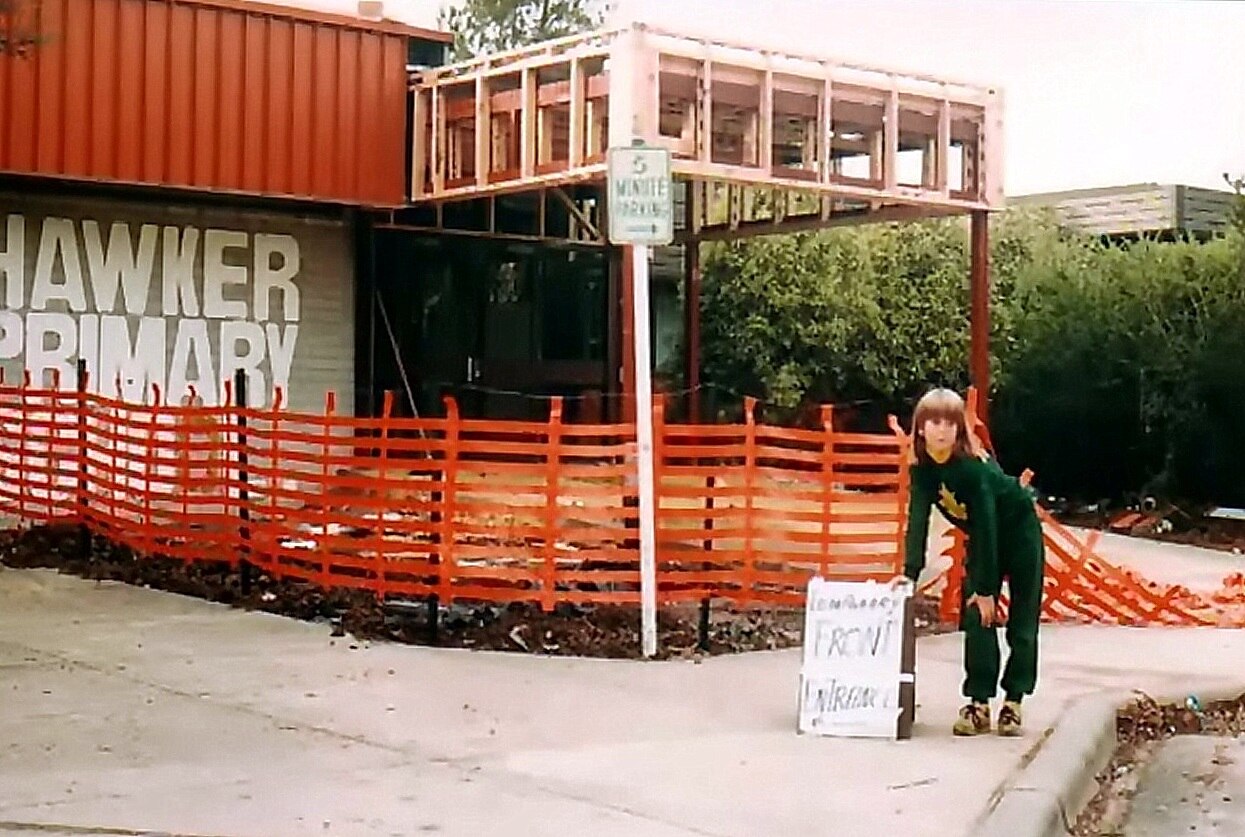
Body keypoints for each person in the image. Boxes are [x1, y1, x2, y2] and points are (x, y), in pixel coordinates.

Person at [898, 387, 1045, 737]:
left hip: (1018, 531)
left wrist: (986, 587)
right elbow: (917, 521)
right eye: (934, 421)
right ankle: (978, 702)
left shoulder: (972, 468)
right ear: (920, 428)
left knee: (1022, 619)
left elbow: (988, 522)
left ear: (959, 428)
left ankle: (1013, 701)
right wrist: (908, 575)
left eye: (950, 421)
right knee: (977, 616)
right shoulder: (922, 471)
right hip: (984, 537)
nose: (942, 429)